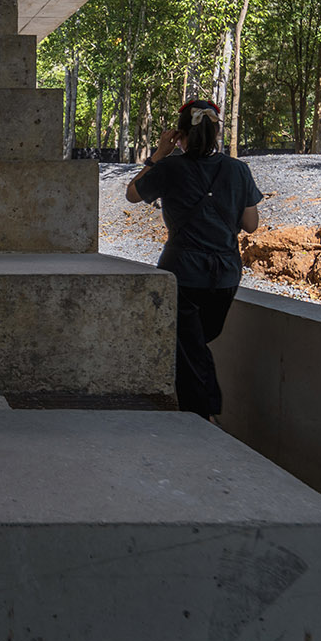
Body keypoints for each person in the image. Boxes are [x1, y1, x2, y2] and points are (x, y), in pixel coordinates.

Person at [125, 98, 261, 420]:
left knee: (189, 349)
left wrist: (159, 154)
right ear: (216, 133)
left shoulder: (170, 168)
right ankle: (205, 416)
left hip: (182, 274)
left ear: (180, 135)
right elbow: (251, 224)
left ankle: (202, 419)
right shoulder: (238, 170)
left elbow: (133, 194)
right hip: (225, 275)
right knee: (195, 345)